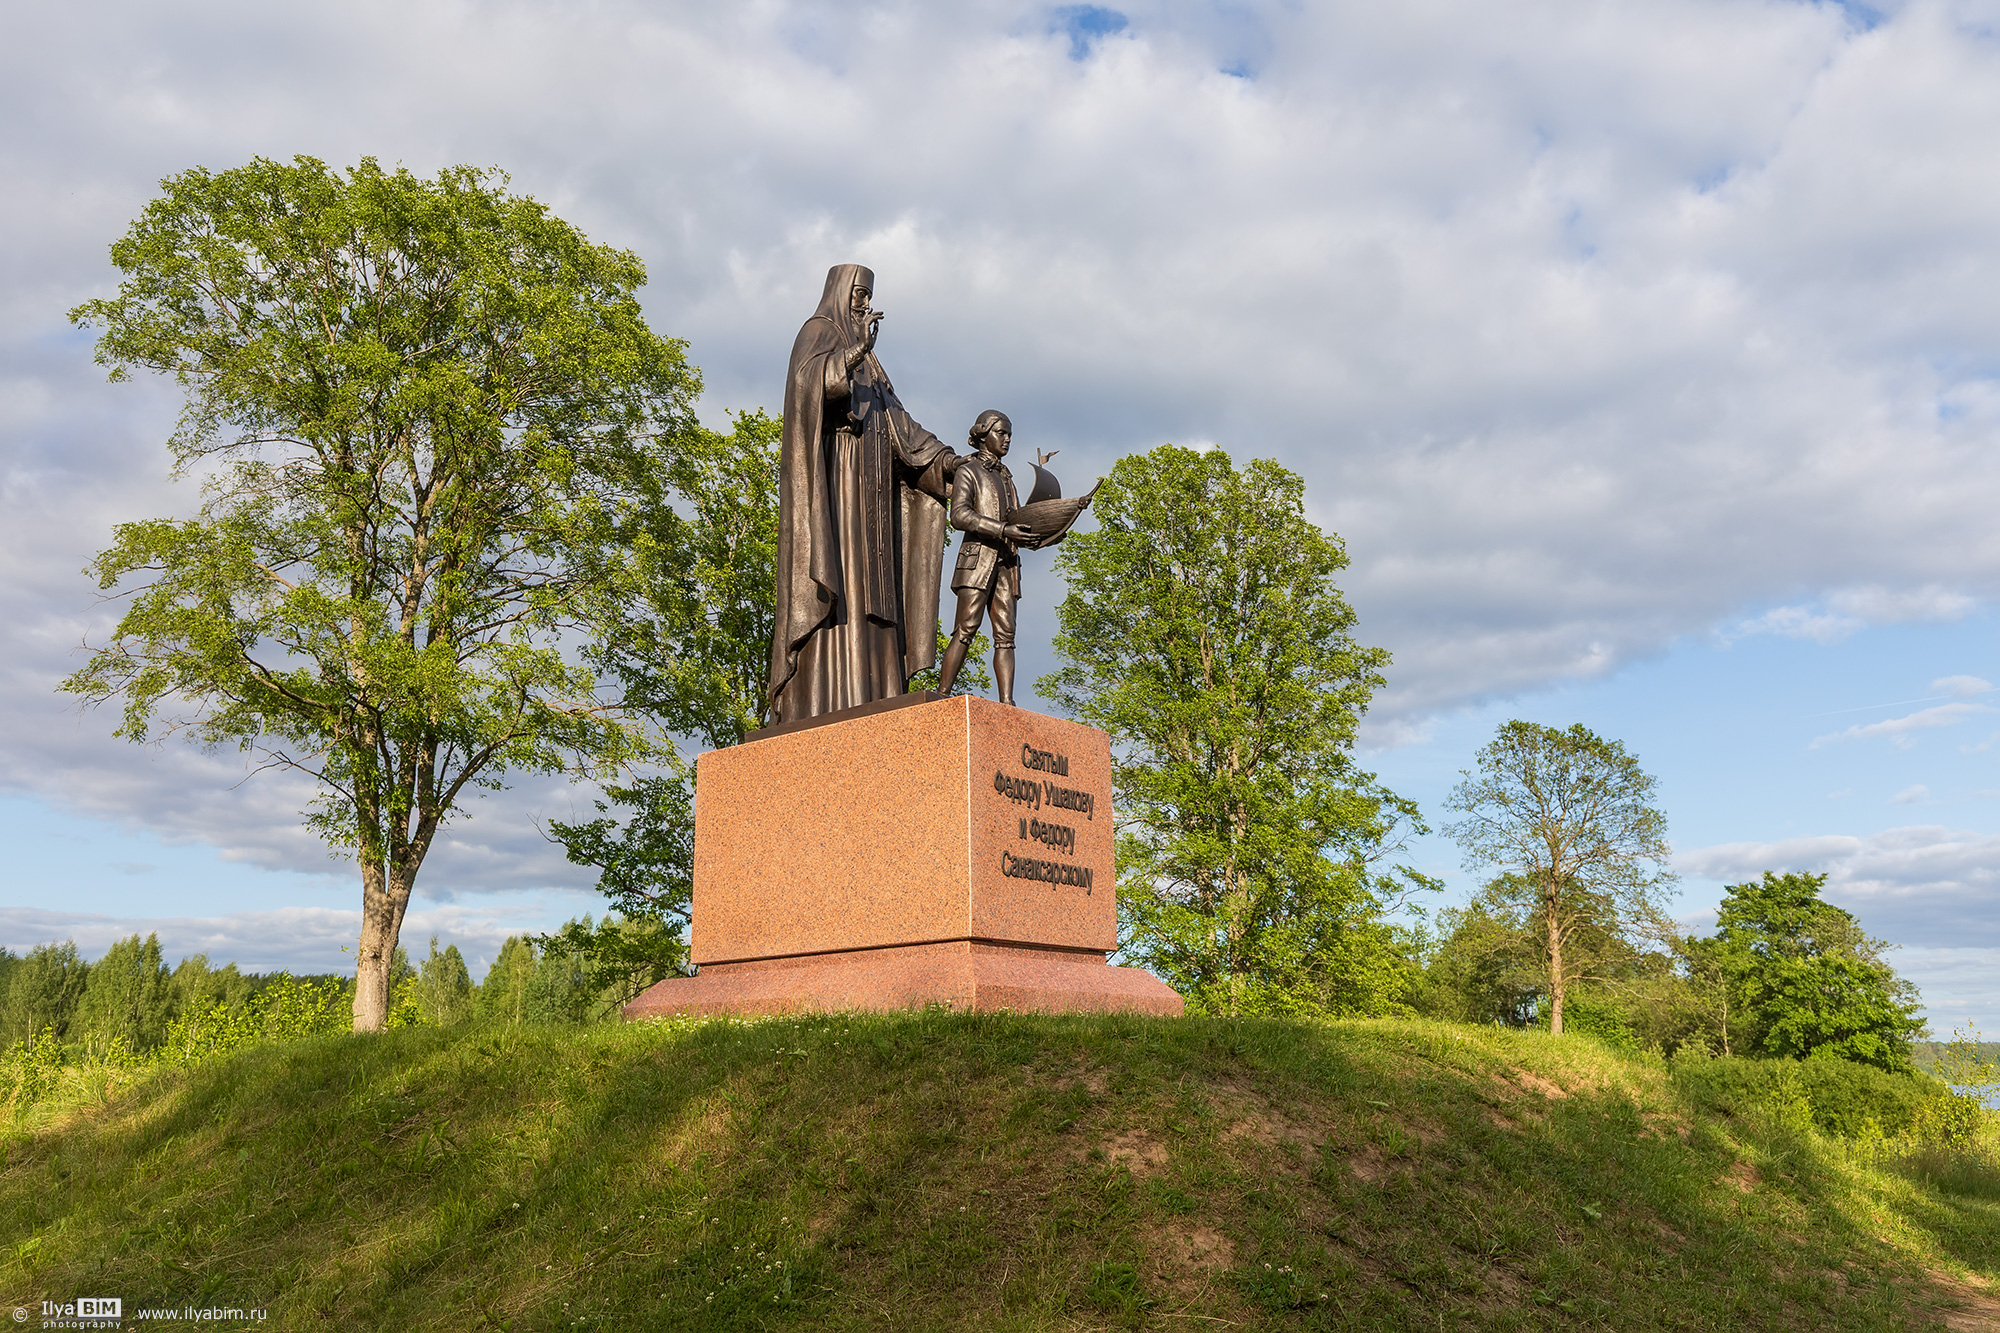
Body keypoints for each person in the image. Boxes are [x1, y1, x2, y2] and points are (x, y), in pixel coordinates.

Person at [767, 265, 962, 724]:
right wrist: (852, 354)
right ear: (839, 293)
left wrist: (952, 462)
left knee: (877, 595)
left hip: (875, 501)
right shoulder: (819, 331)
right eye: (858, 294)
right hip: (837, 491)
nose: (864, 303)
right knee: (844, 588)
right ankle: (824, 699)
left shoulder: (874, 365)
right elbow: (805, 387)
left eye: (868, 295)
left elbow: (904, 430)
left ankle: (879, 698)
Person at [936, 410, 1034, 705]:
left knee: (1006, 636)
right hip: (977, 559)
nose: (1007, 440)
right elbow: (960, 515)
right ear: (982, 434)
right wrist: (1004, 529)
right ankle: (941, 695)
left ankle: (1008, 703)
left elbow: (1015, 519)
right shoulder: (968, 471)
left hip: (1007, 562)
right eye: (1001, 433)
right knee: (965, 628)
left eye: (1010, 435)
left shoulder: (1007, 477)